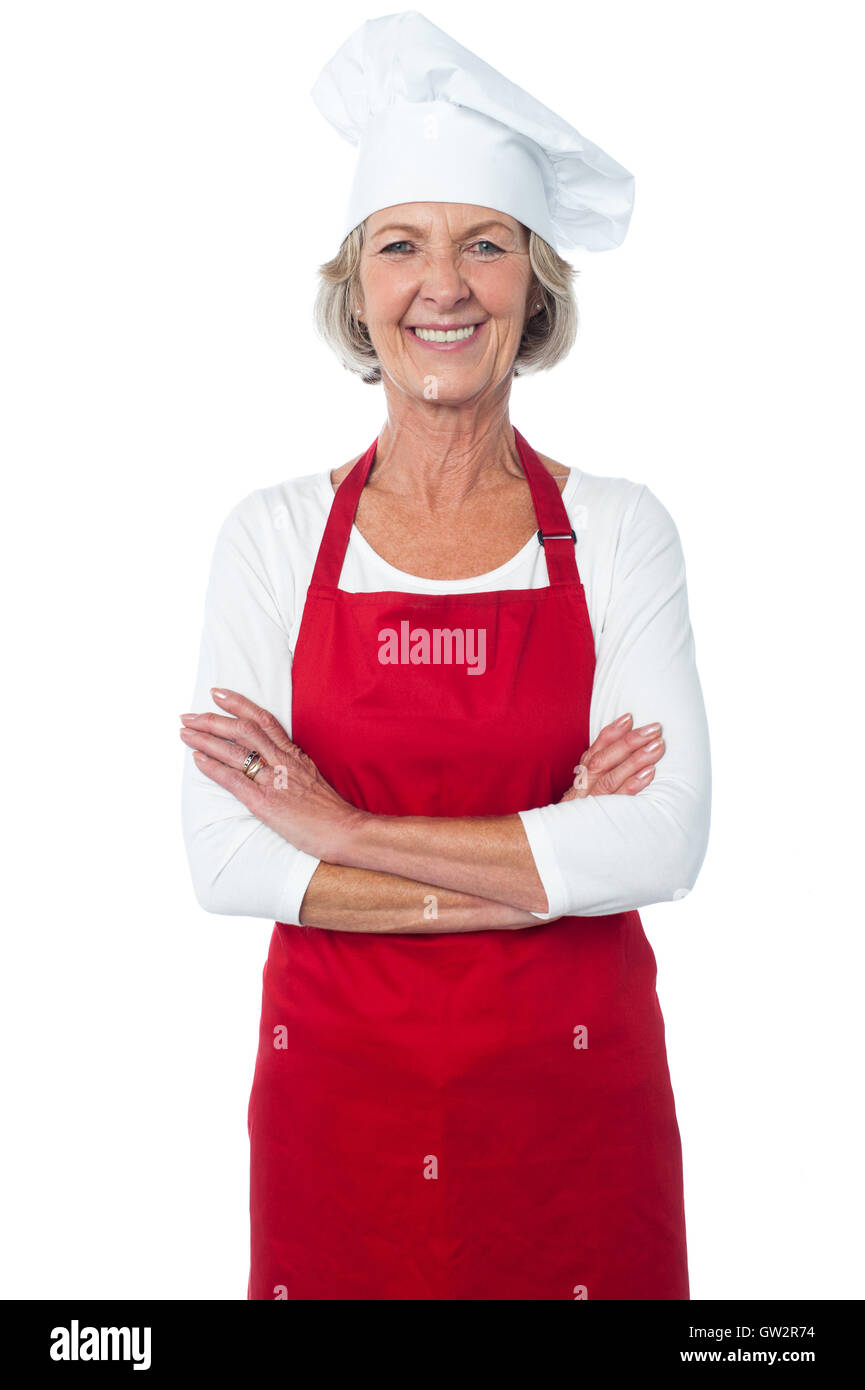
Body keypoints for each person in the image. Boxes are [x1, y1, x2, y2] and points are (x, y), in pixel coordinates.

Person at [179, 11, 711, 1301]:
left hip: (571, 1111)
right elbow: (229, 857)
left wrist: (343, 829)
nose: (445, 287)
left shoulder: (621, 530)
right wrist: (543, 865)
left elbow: (663, 844)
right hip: (338, 1107)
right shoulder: (272, 536)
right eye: (401, 246)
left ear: (534, 282)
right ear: (355, 285)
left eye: (485, 245)